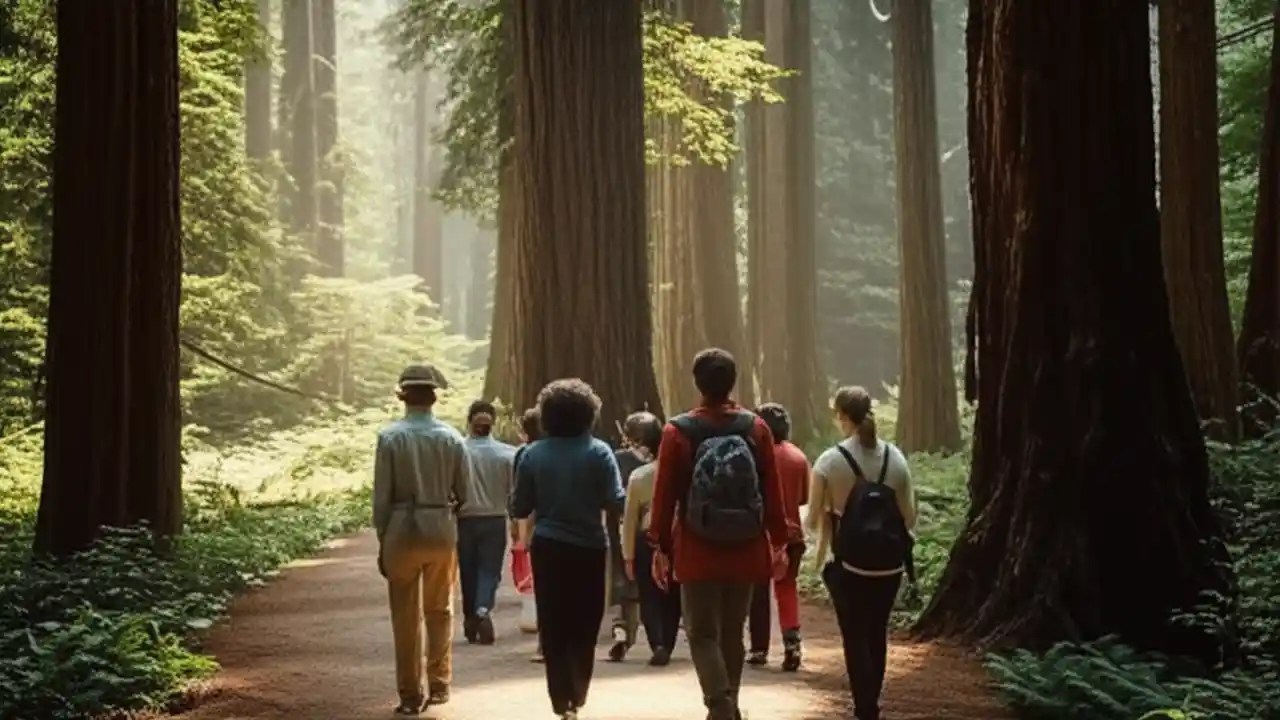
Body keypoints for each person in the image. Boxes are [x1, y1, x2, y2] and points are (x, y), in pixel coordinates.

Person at [647, 349, 790, 720]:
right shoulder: (756, 428)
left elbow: (664, 496)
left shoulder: (678, 431)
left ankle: (721, 704)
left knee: (701, 632)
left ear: (697, 382)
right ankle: (730, 704)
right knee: (732, 631)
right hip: (746, 545)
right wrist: (779, 540)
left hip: (697, 546)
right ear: (732, 382)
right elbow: (772, 490)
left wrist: (660, 545)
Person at [510, 379, 625, 720]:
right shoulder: (600, 451)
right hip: (590, 546)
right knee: (586, 622)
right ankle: (579, 690)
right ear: (589, 414)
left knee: (554, 621)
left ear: (548, 416)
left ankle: (562, 700)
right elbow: (615, 500)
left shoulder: (532, 454)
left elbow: (520, 506)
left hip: (547, 547)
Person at [806, 386, 917, 720]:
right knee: (876, 633)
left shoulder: (829, 461)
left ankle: (865, 707)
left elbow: (812, 520)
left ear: (842, 416)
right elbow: (909, 517)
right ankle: (872, 700)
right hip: (889, 566)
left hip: (849, 567)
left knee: (854, 637)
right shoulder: (895, 458)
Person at [373, 364, 473, 716]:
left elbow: (381, 497)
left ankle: (410, 695)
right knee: (440, 608)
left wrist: (383, 538)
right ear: (433, 397)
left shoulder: (389, 437)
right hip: (440, 525)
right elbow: (466, 494)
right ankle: (441, 683)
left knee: (404, 614)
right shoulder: (452, 438)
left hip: (401, 526)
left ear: (403, 397)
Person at [746, 402, 810, 671]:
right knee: (786, 589)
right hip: (792, 535)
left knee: (758, 592)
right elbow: (804, 497)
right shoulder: (799, 457)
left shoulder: (757, 458)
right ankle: (791, 643)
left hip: (761, 534)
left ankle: (759, 649)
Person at [620, 411, 681, 666]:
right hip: (677, 539)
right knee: (673, 594)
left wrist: (628, 556)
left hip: (647, 539)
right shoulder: (682, 471)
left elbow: (630, 519)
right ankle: (667, 642)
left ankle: (656, 642)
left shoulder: (639, 476)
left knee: (649, 594)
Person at [457, 400, 516, 645]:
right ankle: (483, 609)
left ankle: (470, 619)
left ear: (469, 422)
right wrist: (516, 522)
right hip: (494, 518)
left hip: (464, 520)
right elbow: (514, 492)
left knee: (467, 571)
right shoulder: (508, 454)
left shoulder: (457, 451)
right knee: (489, 571)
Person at [605, 412, 654, 662]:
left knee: (624, 581)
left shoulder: (617, 459)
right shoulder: (660, 462)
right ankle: (658, 633)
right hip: (652, 532)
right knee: (652, 584)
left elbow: (610, 495)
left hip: (621, 530)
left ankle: (622, 630)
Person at [511, 407, 544, 662]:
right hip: (577, 528)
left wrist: (521, 535)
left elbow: (520, 501)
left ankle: (544, 640)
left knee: (541, 583)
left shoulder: (526, 454)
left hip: (537, 527)